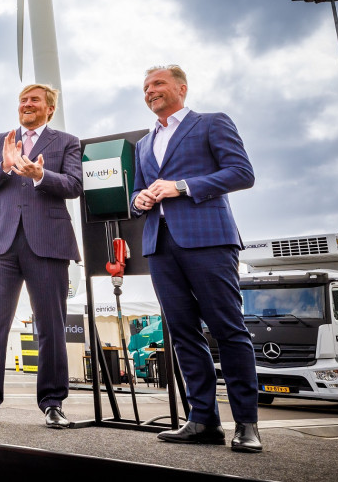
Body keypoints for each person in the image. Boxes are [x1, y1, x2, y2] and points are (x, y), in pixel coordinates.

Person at [131, 65, 259, 452]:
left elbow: (241, 173)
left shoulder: (211, 123)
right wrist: (138, 200)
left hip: (208, 240)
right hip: (160, 245)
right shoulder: (142, 144)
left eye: (158, 84)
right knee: (183, 333)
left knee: (228, 330)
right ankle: (202, 420)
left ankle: (247, 424)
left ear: (181, 88)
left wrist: (181, 186)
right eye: (145, 87)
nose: (150, 91)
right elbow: (139, 191)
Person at [0, 83, 82, 429]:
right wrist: (3, 166)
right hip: (1, 242)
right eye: (22, 101)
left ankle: (52, 403)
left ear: (50, 108)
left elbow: (74, 185)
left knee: (50, 326)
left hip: (47, 241)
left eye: (33, 100)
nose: (26, 105)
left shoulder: (67, 142)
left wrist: (40, 175)